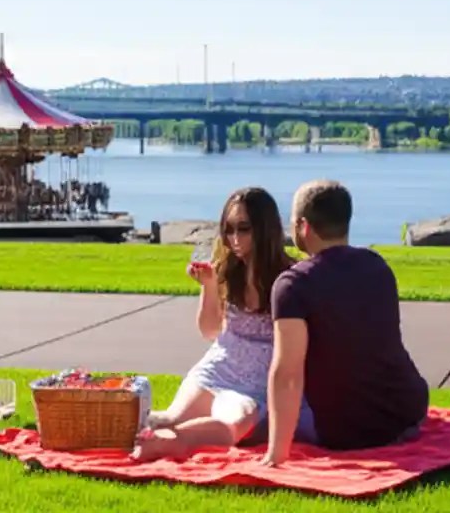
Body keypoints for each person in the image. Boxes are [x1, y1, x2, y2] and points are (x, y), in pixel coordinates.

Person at [263, 179, 429, 466]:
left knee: (252, 412)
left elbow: (286, 373)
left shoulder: (293, 285)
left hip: (346, 432)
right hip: (406, 413)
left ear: (303, 226)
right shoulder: (377, 266)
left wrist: (276, 454)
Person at [132, 187, 302, 461]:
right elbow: (210, 331)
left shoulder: (289, 278)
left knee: (234, 426)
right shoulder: (226, 270)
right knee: (170, 418)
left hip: (256, 381)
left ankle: (170, 444)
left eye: (243, 228)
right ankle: (135, 432)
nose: (234, 238)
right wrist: (209, 286)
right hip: (218, 368)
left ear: (264, 228)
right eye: (229, 229)